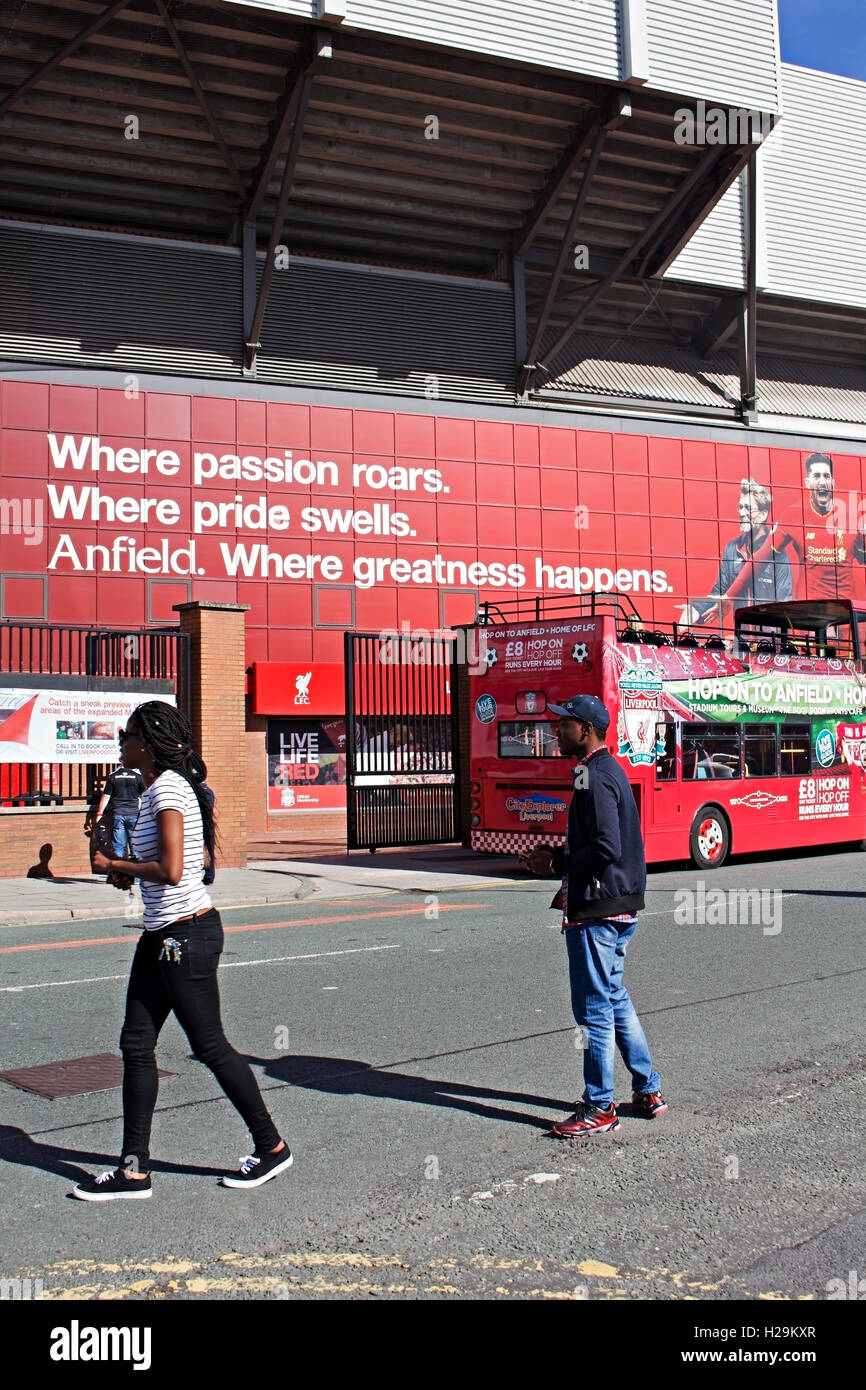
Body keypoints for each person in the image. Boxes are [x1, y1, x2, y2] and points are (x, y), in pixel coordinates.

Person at [72, 700, 291, 1201]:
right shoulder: (159, 789)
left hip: (183, 937)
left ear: (146, 742)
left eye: (126, 734)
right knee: (136, 1045)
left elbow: (172, 871)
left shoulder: (168, 789)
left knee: (210, 1046)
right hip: (162, 933)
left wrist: (120, 863)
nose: (120, 742)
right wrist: (124, 865)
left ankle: (271, 1146)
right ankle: (133, 1170)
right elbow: (180, 862)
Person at [519, 694, 666, 1136]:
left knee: (594, 1008)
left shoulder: (596, 777)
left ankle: (600, 1107)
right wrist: (558, 855)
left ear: (585, 730)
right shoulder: (599, 771)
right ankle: (647, 1089)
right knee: (614, 998)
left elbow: (606, 848)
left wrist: (559, 864)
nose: (555, 730)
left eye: (564, 724)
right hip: (617, 905)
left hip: (598, 910)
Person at [679, 479, 792, 627]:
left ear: (763, 515)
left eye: (748, 508)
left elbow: (784, 602)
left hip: (770, 642)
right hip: (742, 640)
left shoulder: (778, 554)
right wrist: (696, 609)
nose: (742, 513)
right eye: (740, 507)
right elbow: (720, 590)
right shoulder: (732, 549)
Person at [94, 761, 145, 860]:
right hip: (133, 814)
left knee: (118, 846)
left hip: (117, 814)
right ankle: (136, 873)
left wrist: (99, 813)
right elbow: (144, 795)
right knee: (135, 846)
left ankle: (119, 872)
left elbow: (105, 797)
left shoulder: (113, 776)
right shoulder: (138, 777)